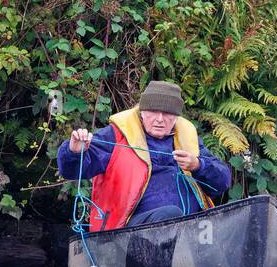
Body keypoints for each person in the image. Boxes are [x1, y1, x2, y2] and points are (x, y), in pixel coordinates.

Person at [57, 80, 232, 230]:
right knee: (170, 213)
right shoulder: (116, 135)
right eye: (153, 111)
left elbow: (223, 182)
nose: (160, 119)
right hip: (130, 232)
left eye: (168, 114)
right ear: (142, 112)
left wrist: (198, 165)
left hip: (190, 233)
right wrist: (73, 151)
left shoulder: (188, 138)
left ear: (176, 117)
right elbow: (72, 171)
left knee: (235, 216)